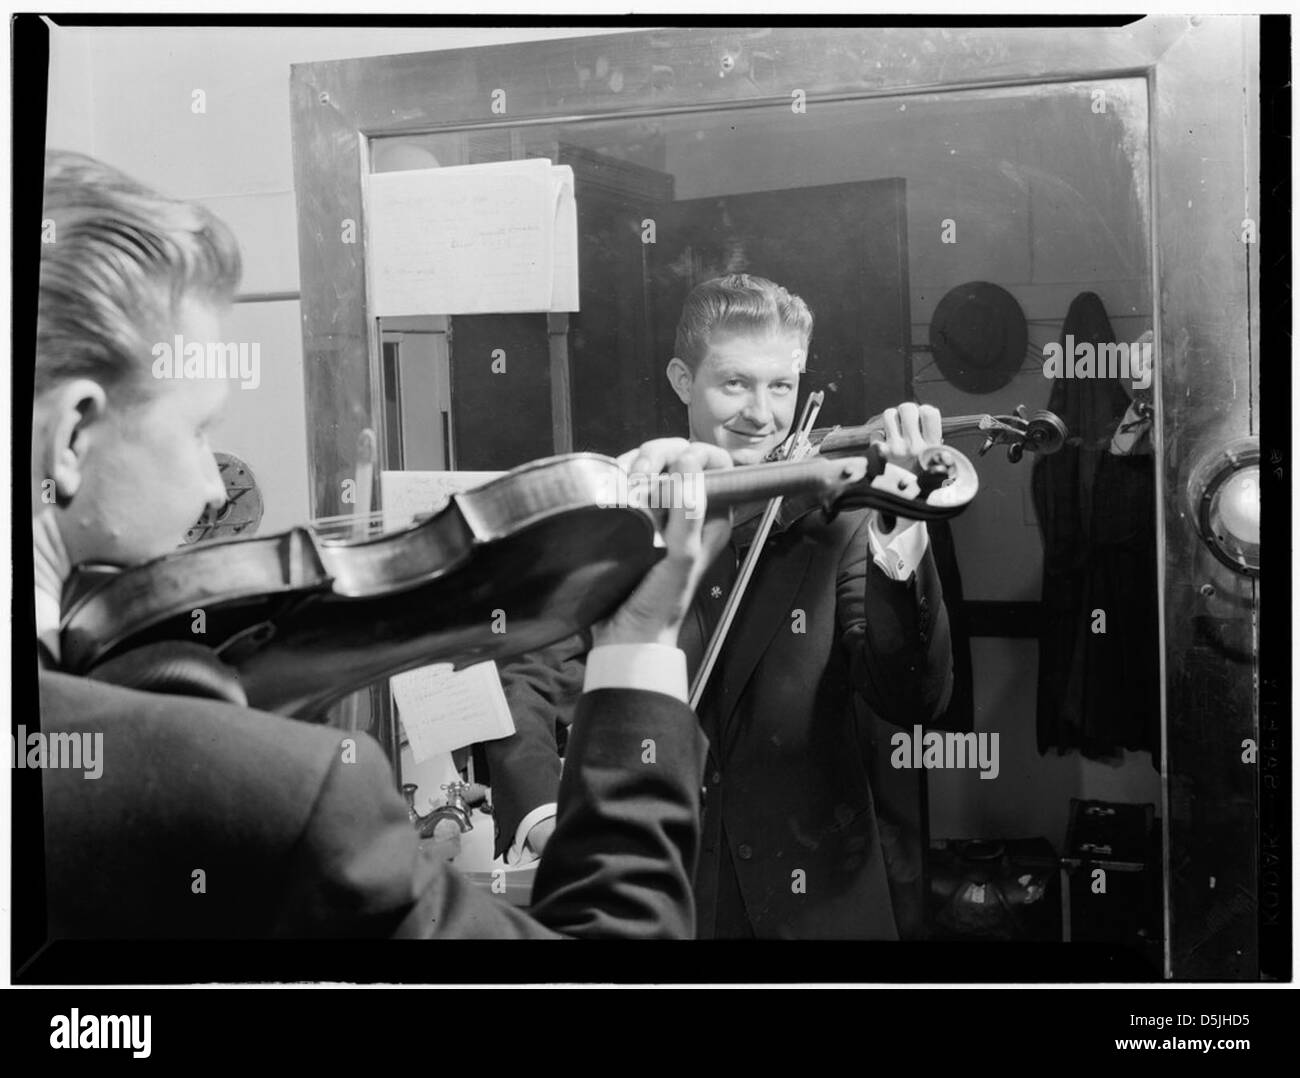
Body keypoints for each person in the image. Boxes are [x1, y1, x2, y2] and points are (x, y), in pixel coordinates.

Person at [30, 149, 732, 940]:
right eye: (199, 431)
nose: (215, 487)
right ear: (73, 434)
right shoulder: (288, 795)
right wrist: (639, 643)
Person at [487, 274, 954, 938]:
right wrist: (542, 817)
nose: (762, 415)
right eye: (735, 383)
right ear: (682, 378)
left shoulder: (843, 522)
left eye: (782, 387)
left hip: (816, 906)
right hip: (654, 894)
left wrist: (900, 522)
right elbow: (524, 677)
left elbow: (915, 695)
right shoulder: (629, 511)